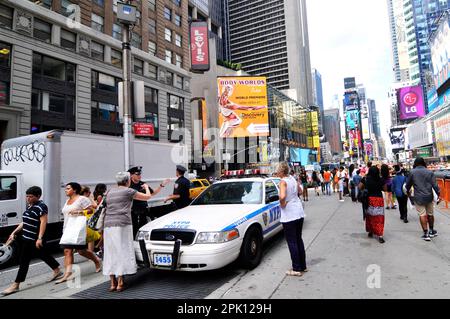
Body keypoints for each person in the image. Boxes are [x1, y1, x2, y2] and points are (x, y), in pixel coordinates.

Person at [1, 186, 61, 296]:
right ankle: (57, 270)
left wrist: (39, 238)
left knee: (24, 261)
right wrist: (14, 232)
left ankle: (16, 285)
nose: (28, 198)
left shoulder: (41, 207)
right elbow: (24, 221)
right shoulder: (30, 206)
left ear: (38, 196)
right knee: (43, 255)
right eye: (27, 196)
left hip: (34, 239)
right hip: (26, 237)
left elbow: (43, 223)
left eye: (31, 196)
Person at [102, 172, 153, 292]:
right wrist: (146, 187)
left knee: (110, 252)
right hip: (122, 224)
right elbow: (147, 197)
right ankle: (120, 283)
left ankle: (112, 283)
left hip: (108, 224)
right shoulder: (128, 191)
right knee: (122, 250)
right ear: (127, 181)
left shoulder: (109, 191)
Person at [56, 182, 101, 284]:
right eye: (66, 189)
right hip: (67, 228)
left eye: (68, 189)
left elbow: (91, 210)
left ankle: (96, 261)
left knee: (81, 251)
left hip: (77, 229)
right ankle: (68, 274)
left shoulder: (82, 199)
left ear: (74, 190)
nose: (66, 190)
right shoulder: (68, 201)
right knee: (67, 251)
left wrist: (79, 212)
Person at [276, 162, 307, 277]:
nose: (276, 172)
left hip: (289, 215)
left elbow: (282, 196)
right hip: (299, 211)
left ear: (281, 171)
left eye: (277, 170)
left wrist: (283, 204)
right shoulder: (292, 179)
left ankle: (296, 268)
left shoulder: (283, 182)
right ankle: (303, 266)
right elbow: (300, 191)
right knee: (298, 239)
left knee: (292, 241)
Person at [405, 157, 441, 241]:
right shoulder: (429, 172)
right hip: (429, 196)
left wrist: (407, 191)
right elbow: (435, 185)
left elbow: (408, 184)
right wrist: (439, 194)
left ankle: (426, 233)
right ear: (423, 163)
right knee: (430, 214)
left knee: (422, 215)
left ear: (416, 163)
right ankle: (431, 231)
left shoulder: (412, 172)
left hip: (418, 197)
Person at [128, 166, 168, 238]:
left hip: (144, 211)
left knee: (143, 230)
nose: (139, 176)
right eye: (137, 174)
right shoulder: (129, 185)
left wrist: (161, 185)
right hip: (133, 212)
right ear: (131, 175)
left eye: (140, 174)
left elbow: (152, 193)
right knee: (134, 231)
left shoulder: (143, 184)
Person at [359, 166, 388, 243]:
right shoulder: (381, 179)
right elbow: (385, 189)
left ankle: (371, 231)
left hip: (369, 199)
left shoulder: (365, 179)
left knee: (370, 216)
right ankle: (380, 235)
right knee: (379, 217)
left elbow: (359, 187)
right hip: (378, 200)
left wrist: (365, 188)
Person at [81, 186, 101, 253]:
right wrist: (91, 198)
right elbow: (95, 206)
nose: (90, 193)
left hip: (82, 218)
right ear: (85, 193)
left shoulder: (78, 198)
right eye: (89, 192)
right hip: (88, 218)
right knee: (91, 238)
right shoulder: (86, 199)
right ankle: (91, 252)